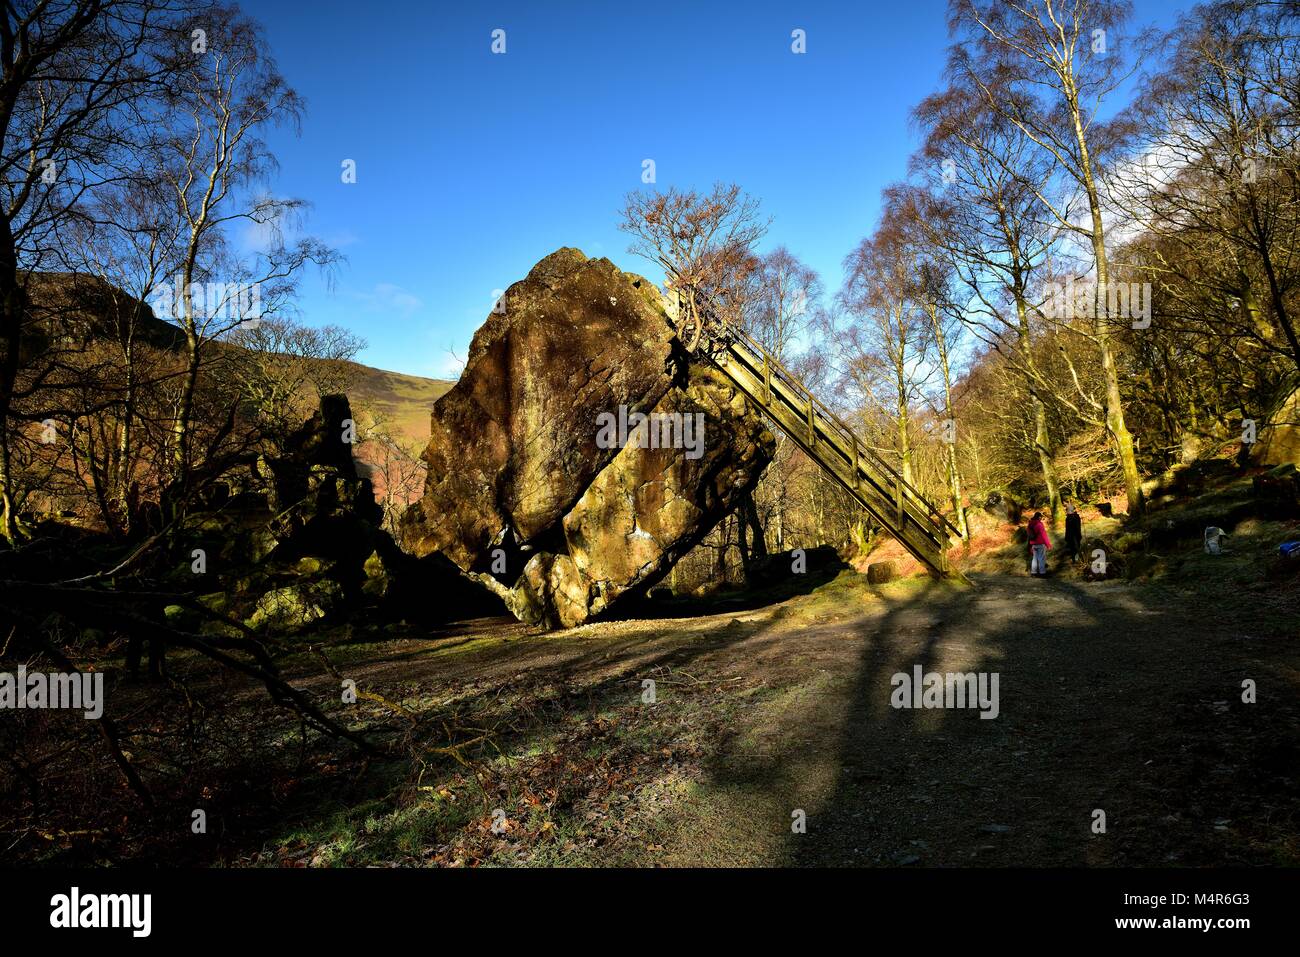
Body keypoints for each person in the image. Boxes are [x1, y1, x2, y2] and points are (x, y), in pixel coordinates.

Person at [1027, 511, 1051, 577]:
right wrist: (1048, 544)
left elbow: (1029, 535)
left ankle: (1033, 573)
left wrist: (1029, 545)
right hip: (1040, 543)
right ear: (1039, 517)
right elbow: (1044, 535)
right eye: (1041, 517)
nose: (1041, 518)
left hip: (1033, 544)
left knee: (1034, 558)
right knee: (1041, 558)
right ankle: (1042, 573)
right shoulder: (1039, 524)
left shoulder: (1030, 524)